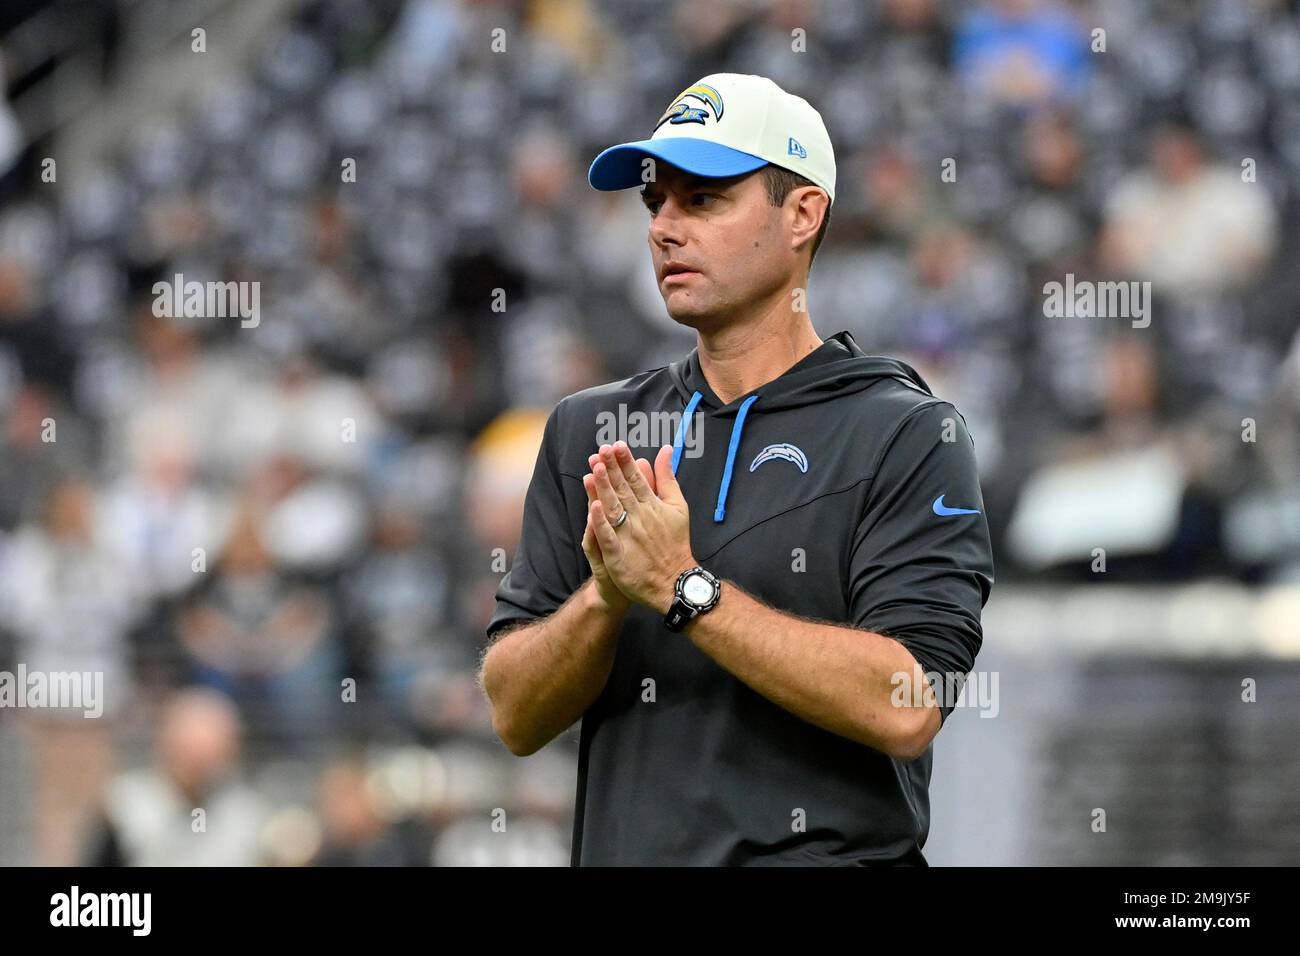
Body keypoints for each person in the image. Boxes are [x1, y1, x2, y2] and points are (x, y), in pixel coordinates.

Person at [479, 73, 995, 866]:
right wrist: (606, 597)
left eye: (704, 199)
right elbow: (515, 715)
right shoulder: (595, 430)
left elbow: (909, 702)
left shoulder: (907, 434)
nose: (663, 229)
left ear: (803, 213)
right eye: (656, 204)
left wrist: (684, 588)